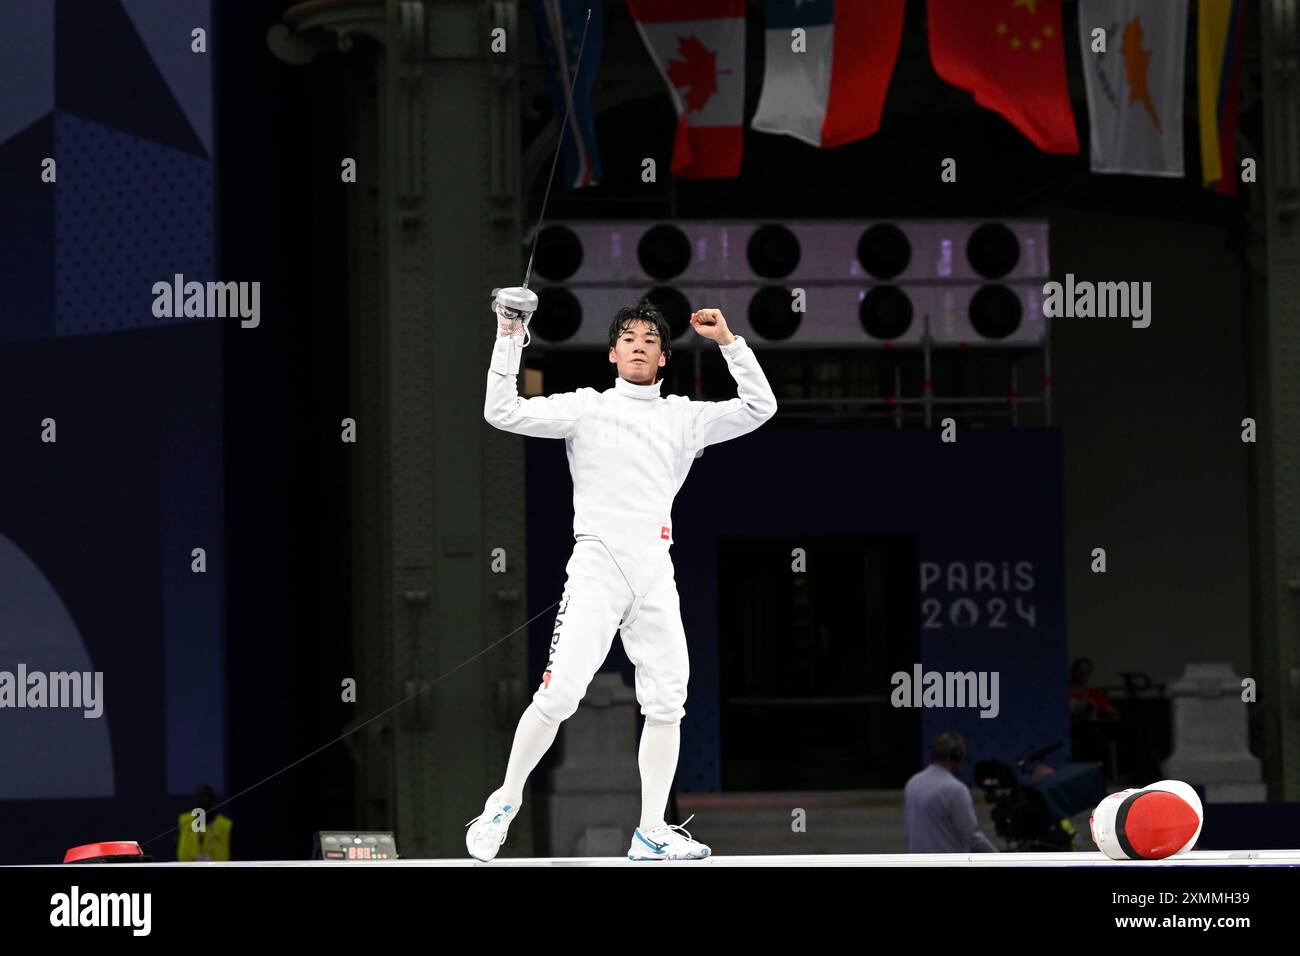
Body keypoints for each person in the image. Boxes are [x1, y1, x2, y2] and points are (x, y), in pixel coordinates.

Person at [467, 296, 777, 861]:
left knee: (667, 703)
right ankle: (504, 801)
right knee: (559, 695)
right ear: (613, 354)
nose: (639, 346)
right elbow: (502, 411)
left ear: (662, 359)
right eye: (629, 338)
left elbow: (760, 407)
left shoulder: (684, 417)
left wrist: (729, 342)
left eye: (651, 341)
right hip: (597, 570)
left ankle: (651, 829)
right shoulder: (586, 408)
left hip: (655, 571)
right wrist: (509, 335)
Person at [903, 732, 999, 853]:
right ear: (956, 756)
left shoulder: (913, 783)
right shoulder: (955, 789)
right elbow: (973, 838)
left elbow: (908, 833)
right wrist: (1001, 859)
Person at [176, 784, 232, 861]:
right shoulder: (185, 821)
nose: (203, 800)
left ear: (212, 798)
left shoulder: (224, 825)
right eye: (200, 796)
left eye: (206, 796)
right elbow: (182, 853)